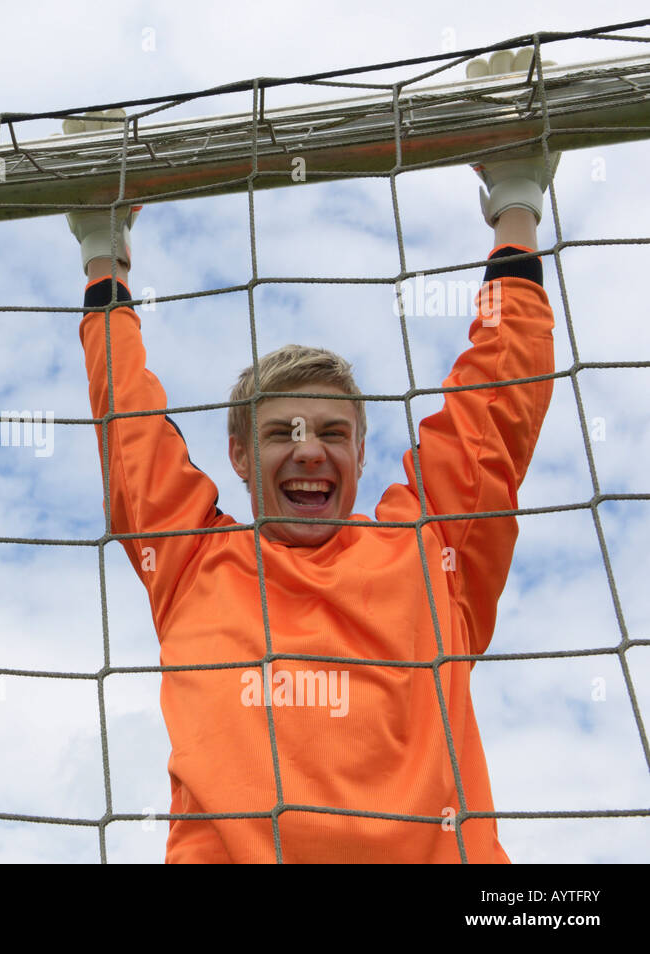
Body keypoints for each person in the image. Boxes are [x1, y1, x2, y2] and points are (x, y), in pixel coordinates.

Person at [69, 49, 558, 862]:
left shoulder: (428, 551)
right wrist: (101, 250)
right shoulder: (194, 563)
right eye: (280, 432)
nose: (309, 452)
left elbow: (496, 407)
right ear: (237, 454)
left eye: (332, 433)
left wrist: (516, 196)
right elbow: (129, 429)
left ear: (361, 453)